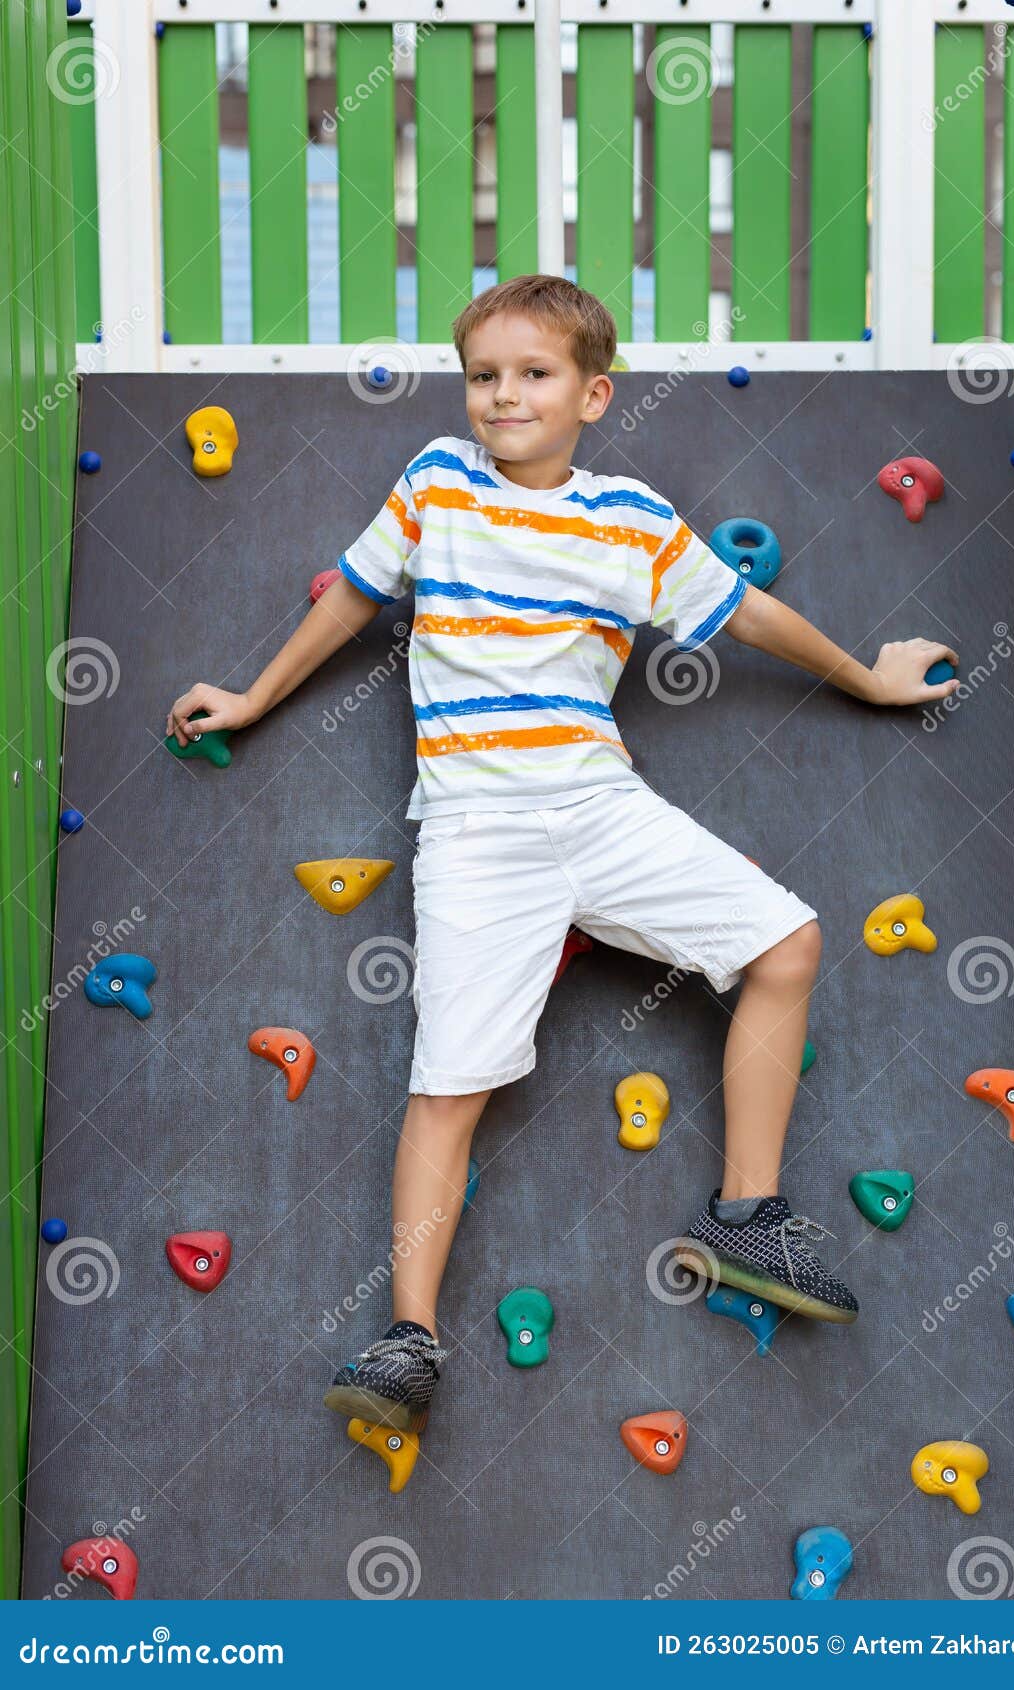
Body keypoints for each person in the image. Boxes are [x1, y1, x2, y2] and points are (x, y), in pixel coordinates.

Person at [166, 275, 960, 1435]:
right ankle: (408, 1337)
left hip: (598, 806)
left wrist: (867, 676)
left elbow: (745, 614)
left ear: (591, 392)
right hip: (476, 833)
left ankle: (744, 1210)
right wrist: (249, 696)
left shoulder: (629, 518)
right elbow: (348, 601)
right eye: (483, 374)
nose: (502, 395)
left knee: (786, 941)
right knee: (450, 1083)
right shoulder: (437, 483)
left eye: (532, 374)